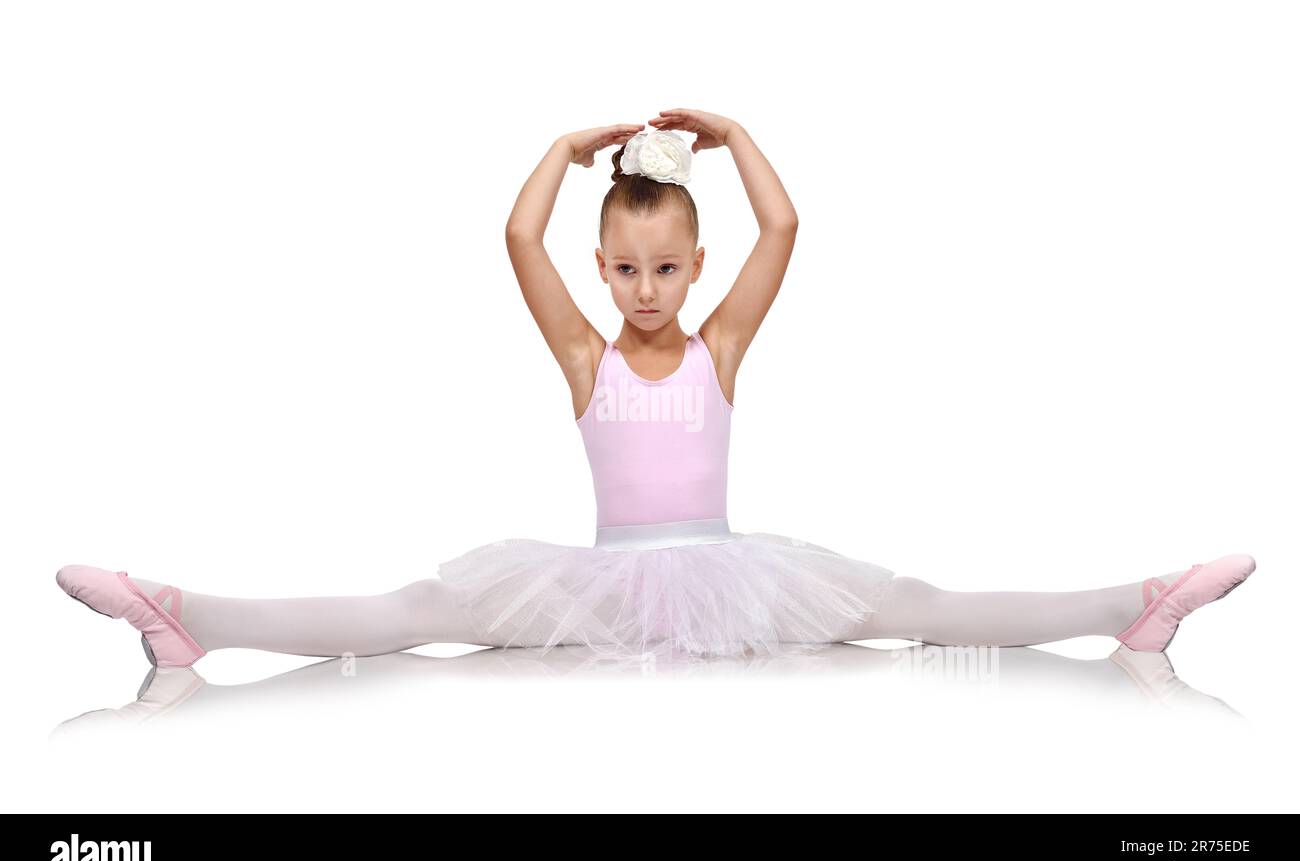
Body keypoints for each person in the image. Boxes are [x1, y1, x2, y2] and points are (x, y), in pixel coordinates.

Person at [54, 109, 1256, 667]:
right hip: (600, 580)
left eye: (665, 268)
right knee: (420, 611)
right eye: (624, 269)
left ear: (695, 266)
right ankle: (189, 614)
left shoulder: (716, 347)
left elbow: (785, 224)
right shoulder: (584, 355)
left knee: (917, 603)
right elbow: (518, 243)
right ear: (602, 269)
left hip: (729, 573)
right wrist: (563, 154)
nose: (643, 290)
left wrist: (732, 140)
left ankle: (1133, 601)